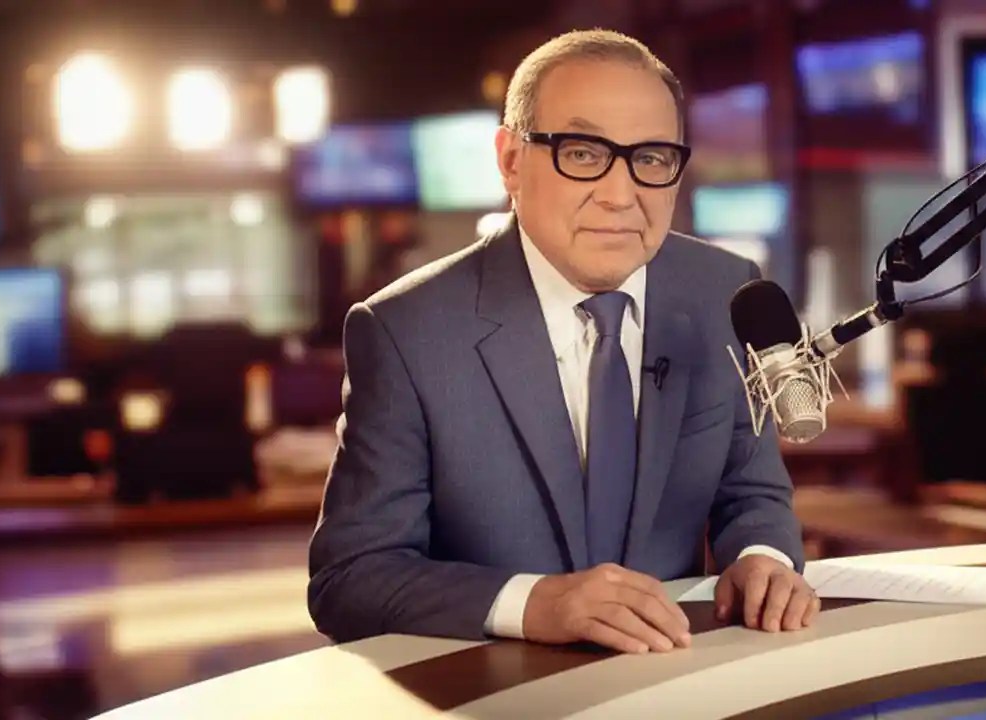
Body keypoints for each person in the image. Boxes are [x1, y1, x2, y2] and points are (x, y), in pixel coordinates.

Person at [308, 28, 818, 655]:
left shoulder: (725, 292)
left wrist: (763, 558)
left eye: (651, 158)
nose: (620, 193)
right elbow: (349, 577)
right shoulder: (406, 330)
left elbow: (752, 490)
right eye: (582, 152)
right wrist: (535, 603)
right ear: (511, 161)